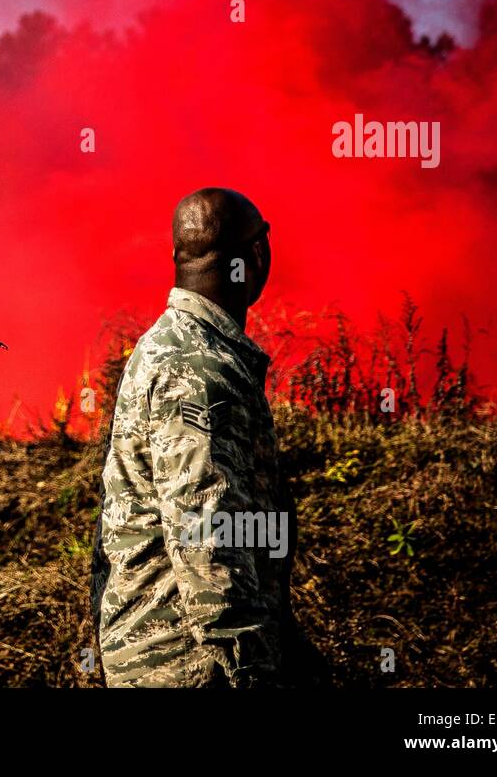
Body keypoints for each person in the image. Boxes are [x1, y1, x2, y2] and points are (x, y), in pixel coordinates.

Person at [91, 186, 324, 687]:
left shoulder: (173, 347)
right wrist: (255, 669)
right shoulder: (198, 368)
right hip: (191, 666)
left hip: (173, 657)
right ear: (258, 255)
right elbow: (208, 538)